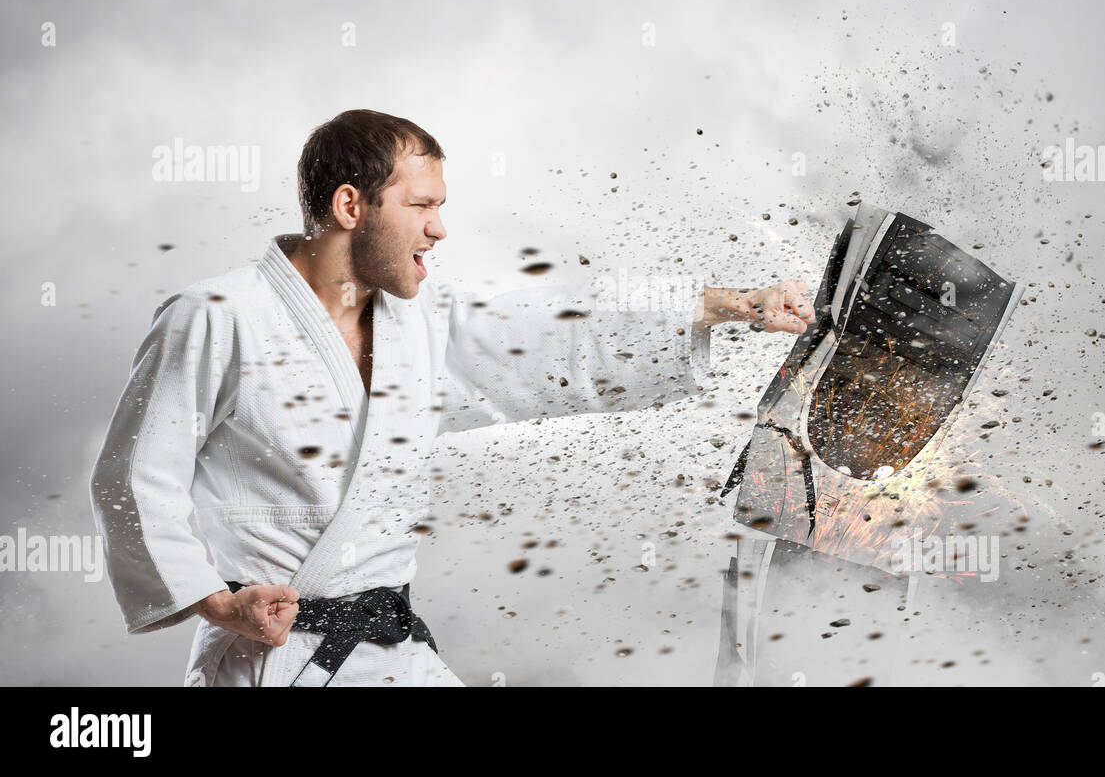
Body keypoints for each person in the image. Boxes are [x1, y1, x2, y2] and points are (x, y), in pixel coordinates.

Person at [89, 109, 813, 687]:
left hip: (392, 654)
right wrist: (218, 602)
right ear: (350, 204)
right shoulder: (218, 315)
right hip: (271, 660)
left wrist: (737, 305)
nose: (440, 227)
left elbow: (559, 332)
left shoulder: (418, 325)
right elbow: (133, 477)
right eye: (422, 205)